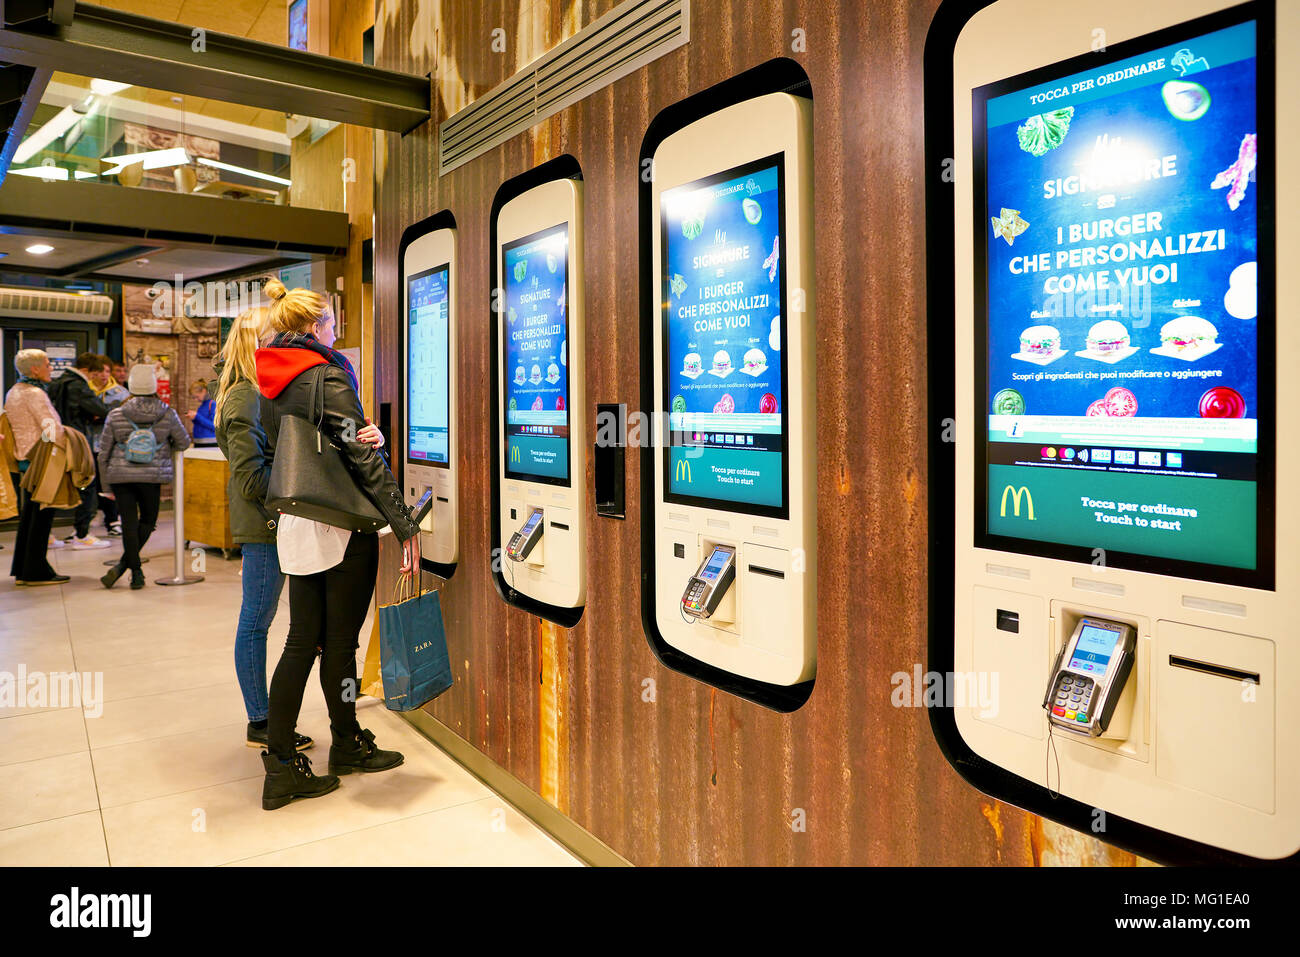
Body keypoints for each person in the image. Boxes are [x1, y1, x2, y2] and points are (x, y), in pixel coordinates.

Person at [254, 277, 419, 810]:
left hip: (299, 520)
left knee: (302, 638)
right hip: (342, 521)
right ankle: (345, 744)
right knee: (339, 643)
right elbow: (359, 456)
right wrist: (403, 523)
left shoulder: (272, 379)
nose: (335, 331)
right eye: (330, 323)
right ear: (312, 327)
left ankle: (281, 763)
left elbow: (315, 445)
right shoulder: (327, 374)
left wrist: (365, 433)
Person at [214, 307, 384, 754]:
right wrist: (315, 485)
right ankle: (263, 723)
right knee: (269, 626)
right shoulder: (247, 396)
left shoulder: (273, 389)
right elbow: (252, 477)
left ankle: (301, 739)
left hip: (292, 520)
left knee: (310, 636)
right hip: (272, 524)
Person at [97, 366, 191, 589]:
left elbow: (103, 451)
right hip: (152, 476)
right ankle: (126, 567)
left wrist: (105, 485)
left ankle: (133, 570)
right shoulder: (167, 413)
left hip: (120, 476)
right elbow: (184, 442)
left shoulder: (116, 413)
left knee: (128, 523)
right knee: (148, 521)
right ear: (154, 386)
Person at [4, 349, 69, 585]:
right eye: (47, 364)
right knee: (42, 515)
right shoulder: (35, 394)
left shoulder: (14, 391)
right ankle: (36, 571)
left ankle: (23, 568)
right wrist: (65, 447)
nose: (51, 367)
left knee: (31, 515)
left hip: (24, 458)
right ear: (35, 369)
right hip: (42, 458)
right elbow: (51, 427)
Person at [48, 353, 112, 549]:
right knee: (87, 485)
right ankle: (82, 534)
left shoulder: (56, 383)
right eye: (94, 374)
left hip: (55, 442)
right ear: (86, 371)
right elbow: (101, 409)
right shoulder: (78, 385)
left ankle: (46, 534)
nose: (94, 379)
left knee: (52, 488)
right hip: (76, 442)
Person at [89, 356, 129, 536]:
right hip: (89, 443)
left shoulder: (120, 392)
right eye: (100, 371)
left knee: (109, 483)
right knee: (93, 483)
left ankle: (113, 519)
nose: (104, 375)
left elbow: (121, 416)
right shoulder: (85, 391)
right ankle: (95, 514)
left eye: (106, 371)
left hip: (111, 445)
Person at [185, 379, 218, 447]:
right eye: (194, 398)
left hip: (210, 442)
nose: (196, 400)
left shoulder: (213, 404)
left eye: (197, 397)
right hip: (198, 441)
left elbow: (214, 426)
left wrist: (197, 416)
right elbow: (201, 423)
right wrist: (193, 418)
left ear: (204, 391)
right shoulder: (202, 406)